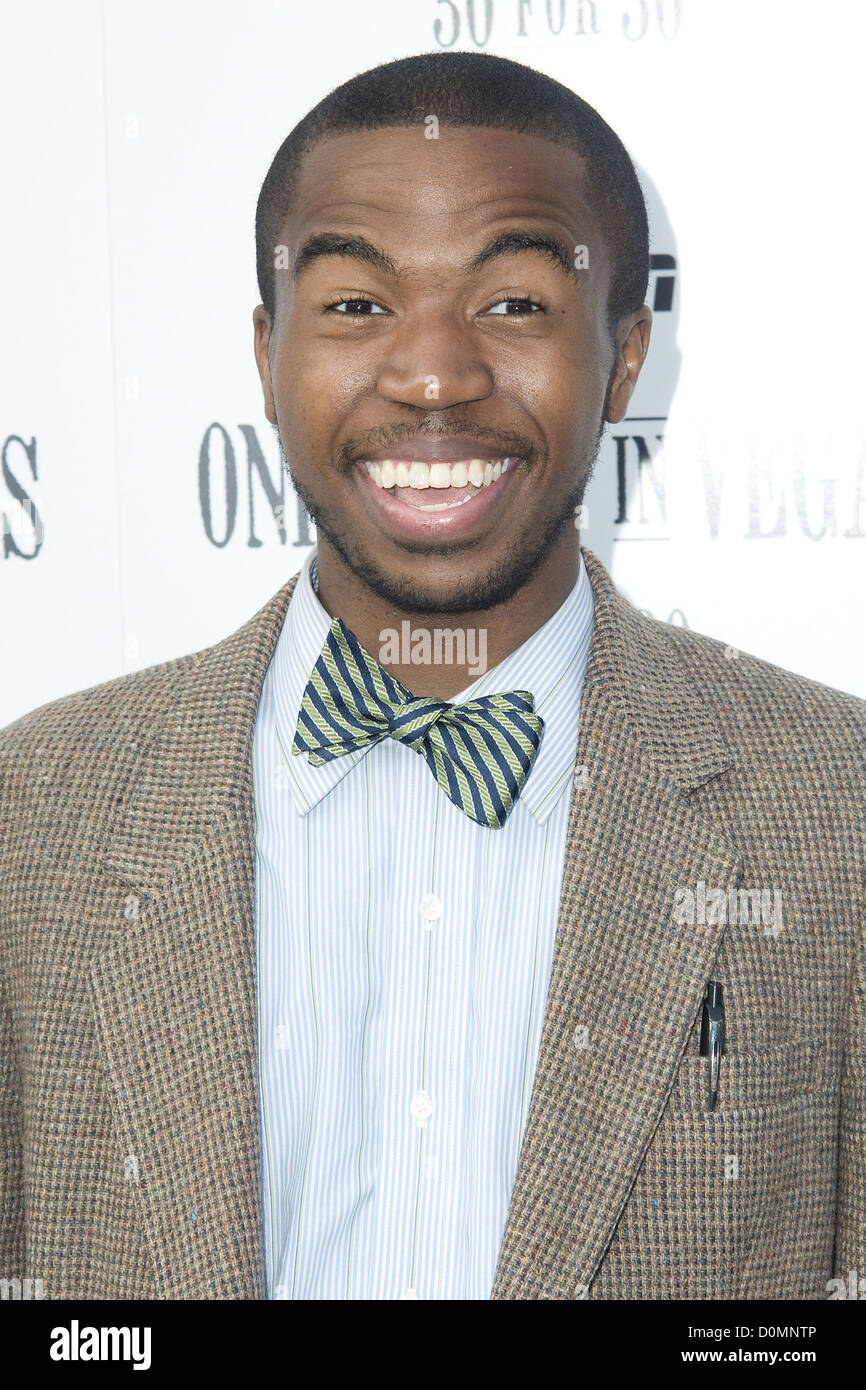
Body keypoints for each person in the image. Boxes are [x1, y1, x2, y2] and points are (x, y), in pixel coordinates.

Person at [1, 51, 863, 1301]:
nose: (433, 375)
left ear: (622, 358)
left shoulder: (836, 807)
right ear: (265, 353)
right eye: (355, 304)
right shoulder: (36, 811)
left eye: (513, 304)